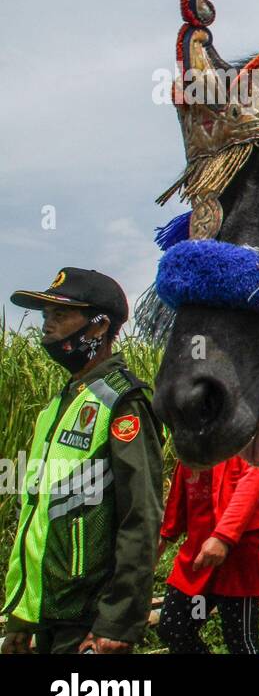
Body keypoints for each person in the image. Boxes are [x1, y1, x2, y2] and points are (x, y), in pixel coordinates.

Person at [2, 268, 164, 654]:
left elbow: (140, 517)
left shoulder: (123, 401)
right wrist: (22, 619)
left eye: (60, 316)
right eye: (45, 317)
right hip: (47, 615)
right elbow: (37, 516)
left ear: (97, 327)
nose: (47, 328)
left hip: (88, 622)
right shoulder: (57, 406)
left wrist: (118, 621)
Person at [156, 458, 259, 654]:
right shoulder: (192, 430)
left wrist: (224, 537)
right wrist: (166, 533)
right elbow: (185, 470)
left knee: (240, 642)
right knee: (175, 628)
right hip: (199, 552)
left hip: (240, 553)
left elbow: (252, 482)